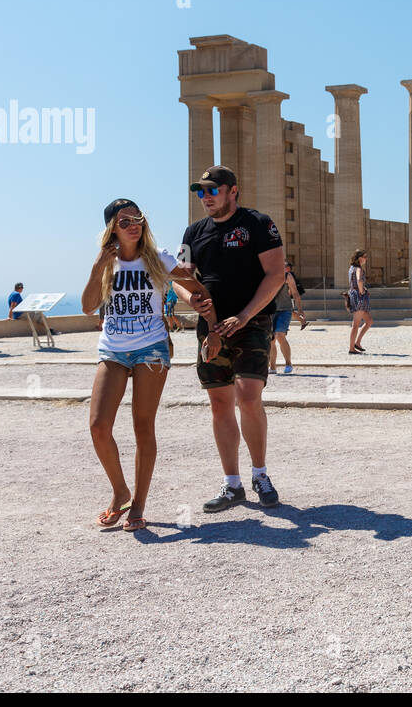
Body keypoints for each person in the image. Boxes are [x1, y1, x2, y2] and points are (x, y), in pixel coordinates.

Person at [82, 198, 211, 532]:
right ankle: (120, 492)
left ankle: (138, 503)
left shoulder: (158, 258)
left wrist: (202, 308)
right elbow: (87, 306)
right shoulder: (107, 263)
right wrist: (98, 265)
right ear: (112, 229)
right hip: (112, 350)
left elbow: (194, 286)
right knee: (98, 426)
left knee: (143, 426)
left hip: (151, 349)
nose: (133, 224)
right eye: (124, 222)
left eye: (137, 218)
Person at [175, 166, 287, 513]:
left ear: (232, 191)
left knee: (248, 395)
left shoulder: (258, 223)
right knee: (220, 403)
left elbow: (276, 274)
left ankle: (260, 474)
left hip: (251, 322)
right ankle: (232, 485)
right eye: (201, 192)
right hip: (210, 326)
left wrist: (246, 315)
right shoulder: (194, 232)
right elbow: (180, 278)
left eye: (212, 191)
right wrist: (188, 297)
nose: (206, 197)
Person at [270, 260, 308, 372]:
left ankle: (288, 363)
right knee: (271, 340)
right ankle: (272, 366)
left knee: (280, 335)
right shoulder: (266, 275)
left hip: (284, 309)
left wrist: (300, 309)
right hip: (270, 310)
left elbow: (295, 292)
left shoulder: (287, 276)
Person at [346, 249, 372, 355]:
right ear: (360, 258)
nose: (366, 259)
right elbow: (359, 280)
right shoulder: (358, 268)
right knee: (355, 324)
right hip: (358, 297)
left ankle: (357, 343)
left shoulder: (351, 268)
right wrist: (362, 291)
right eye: (365, 256)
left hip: (353, 294)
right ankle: (352, 348)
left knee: (369, 321)